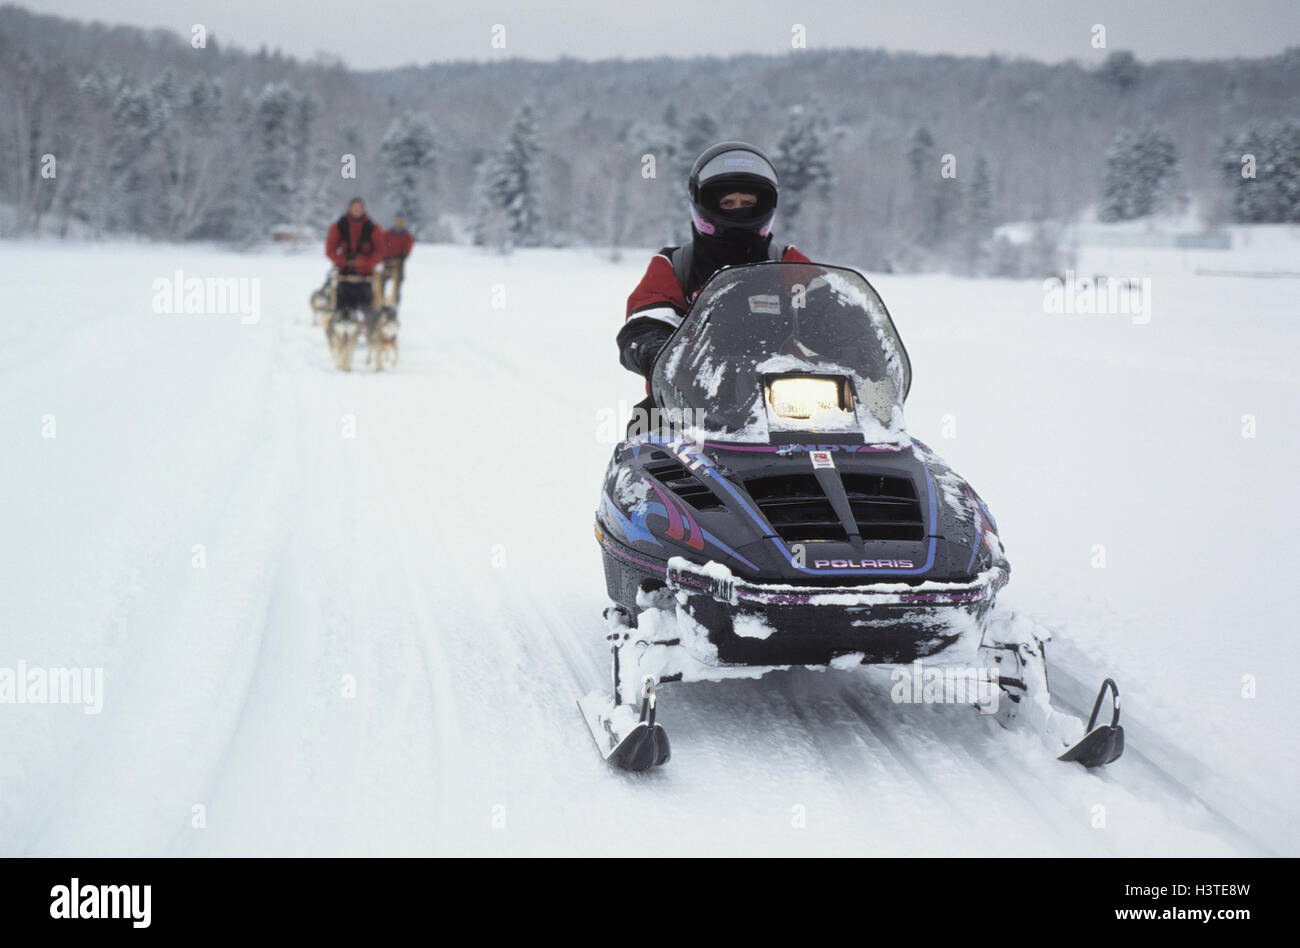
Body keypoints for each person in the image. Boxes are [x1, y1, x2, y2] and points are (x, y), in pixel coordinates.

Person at [616, 141, 810, 382]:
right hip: (691, 392)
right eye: (728, 203)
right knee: (645, 420)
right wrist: (656, 350)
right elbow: (648, 321)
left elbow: (833, 309)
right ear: (704, 204)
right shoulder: (675, 265)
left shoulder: (787, 263)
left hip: (783, 393)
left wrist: (859, 345)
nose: (738, 210)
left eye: (747, 204)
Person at [325, 198, 385, 332]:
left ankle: (369, 331)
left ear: (363, 210)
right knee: (342, 307)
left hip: (364, 275)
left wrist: (367, 263)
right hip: (344, 273)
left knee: (367, 307)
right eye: (354, 207)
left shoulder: (372, 227)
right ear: (350, 209)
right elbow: (330, 248)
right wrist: (340, 260)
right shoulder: (340, 226)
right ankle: (342, 331)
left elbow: (380, 251)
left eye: (359, 208)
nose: (357, 210)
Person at [380, 215, 415, 304]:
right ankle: (380, 298)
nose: (399, 223)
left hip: (399, 262)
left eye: (401, 221)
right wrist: (384, 256)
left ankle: (395, 301)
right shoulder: (387, 233)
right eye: (397, 221)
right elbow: (382, 244)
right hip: (387, 261)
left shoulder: (406, 235)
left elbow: (408, 246)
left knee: (398, 281)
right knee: (382, 279)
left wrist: (403, 256)